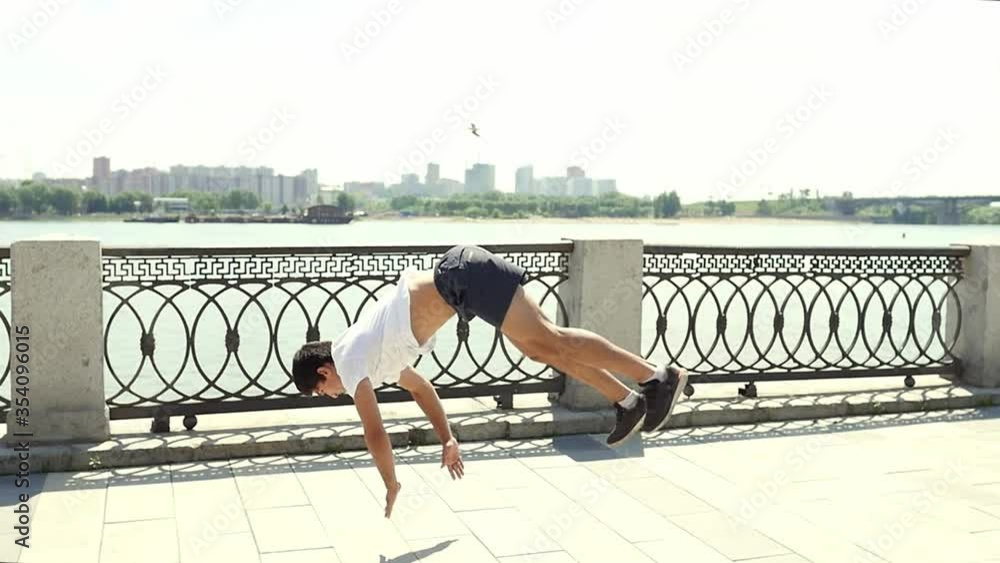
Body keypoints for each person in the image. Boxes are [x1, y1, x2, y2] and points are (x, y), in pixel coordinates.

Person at [292, 244, 688, 517]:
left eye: (321, 391)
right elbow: (420, 388)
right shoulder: (373, 359)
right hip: (462, 283)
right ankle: (628, 400)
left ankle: (658, 377)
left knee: (552, 340)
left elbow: (374, 432)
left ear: (324, 372)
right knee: (545, 349)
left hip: (462, 275)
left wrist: (391, 483)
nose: (330, 395)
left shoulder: (349, 356)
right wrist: (447, 437)